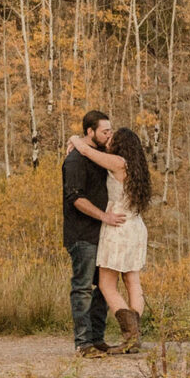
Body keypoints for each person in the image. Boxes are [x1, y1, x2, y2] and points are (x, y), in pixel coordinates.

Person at [77, 123, 152, 354]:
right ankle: (135, 337)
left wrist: (74, 139)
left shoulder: (119, 163)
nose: (108, 141)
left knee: (106, 284)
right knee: (132, 281)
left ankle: (131, 337)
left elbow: (88, 152)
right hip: (135, 225)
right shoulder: (138, 166)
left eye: (112, 139)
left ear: (120, 145)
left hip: (118, 226)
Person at [61, 110, 115, 357]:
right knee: (82, 287)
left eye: (110, 130)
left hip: (103, 234)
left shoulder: (100, 155)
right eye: (105, 131)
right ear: (90, 132)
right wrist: (104, 216)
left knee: (103, 287)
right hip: (82, 234)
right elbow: (75, 198)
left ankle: (97, 338)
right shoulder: (74, 161)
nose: (109, 135)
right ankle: (83, 344)